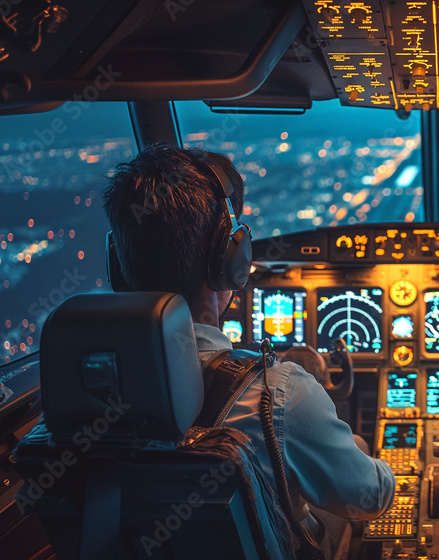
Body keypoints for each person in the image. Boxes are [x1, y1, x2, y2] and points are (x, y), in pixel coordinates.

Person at [103, 144, 395, 558]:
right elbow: (369, 498)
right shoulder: (281, 395)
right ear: (230, 262)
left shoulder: (83, 397)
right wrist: (367, 451)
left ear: (119, 267)